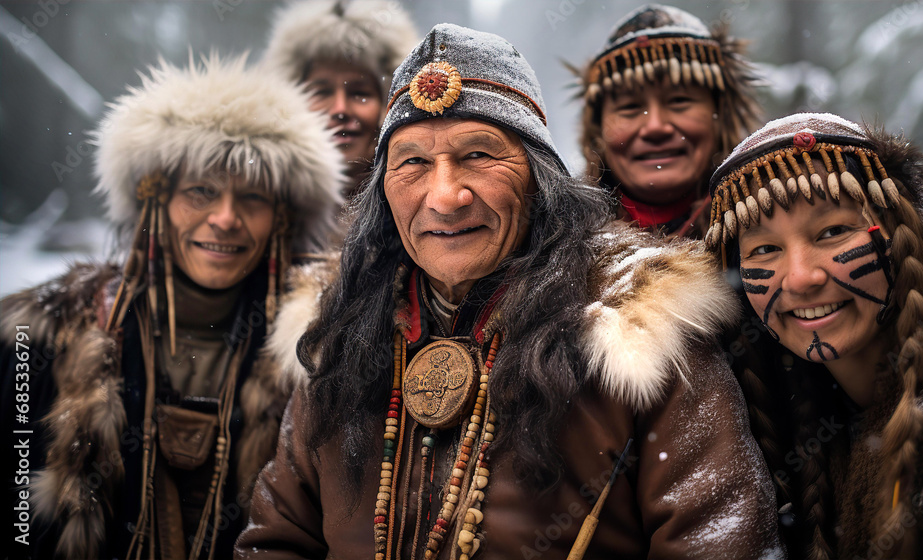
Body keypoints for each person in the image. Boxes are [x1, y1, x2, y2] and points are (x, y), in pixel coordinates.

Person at [236, 23, 785, 560]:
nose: (445, 196)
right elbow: (276, 540)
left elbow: (717, 540)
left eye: (478, 155)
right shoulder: (343, 333)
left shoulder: (639, 329)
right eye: (414, 163)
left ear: (539, 178)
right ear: (383, 191)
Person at [1, 53, 344, 559]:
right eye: (201, 191)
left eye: (251, 197)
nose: (224, 219)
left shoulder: (319, 350)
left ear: (282, 219)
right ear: (155, 202)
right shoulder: (42, 333)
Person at [704, 112, 923, 559]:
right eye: (765, 249)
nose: (801, 278)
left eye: (833, 231)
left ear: (901, 233)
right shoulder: (781, 435)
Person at [576, 4, 761, 238]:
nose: (655, 126)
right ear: (597, 131)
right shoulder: (547, 251)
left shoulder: (777, 235)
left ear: (722, 119)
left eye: (679, 101)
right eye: (630, 107)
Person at [261, 0, 418, 199]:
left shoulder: (424, 204)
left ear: (390, 103)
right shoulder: (261, 207)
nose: (340, 109)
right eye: (321, 92)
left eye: (359, 94)